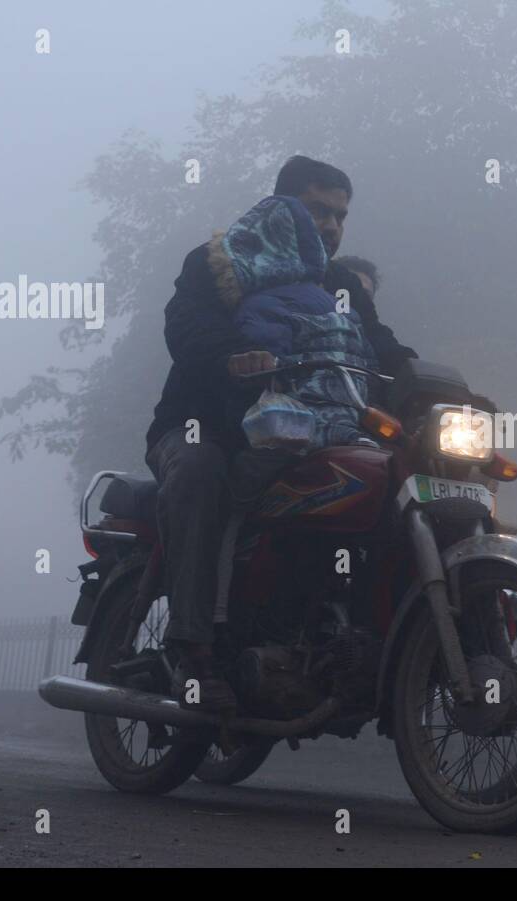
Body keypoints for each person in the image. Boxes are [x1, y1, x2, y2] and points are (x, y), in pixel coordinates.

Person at [144, 157, 415, 711]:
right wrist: (234, 359)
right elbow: (186, 327)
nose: (333, 226)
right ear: (284, 207)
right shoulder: (219, 261)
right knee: (201, 472)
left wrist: (425, 381)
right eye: (319, 211)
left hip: (307, 432)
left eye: (341, 215)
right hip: (207, 428)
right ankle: (193, 648)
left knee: (383, 477)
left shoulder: (339, 283)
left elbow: (378, 345)